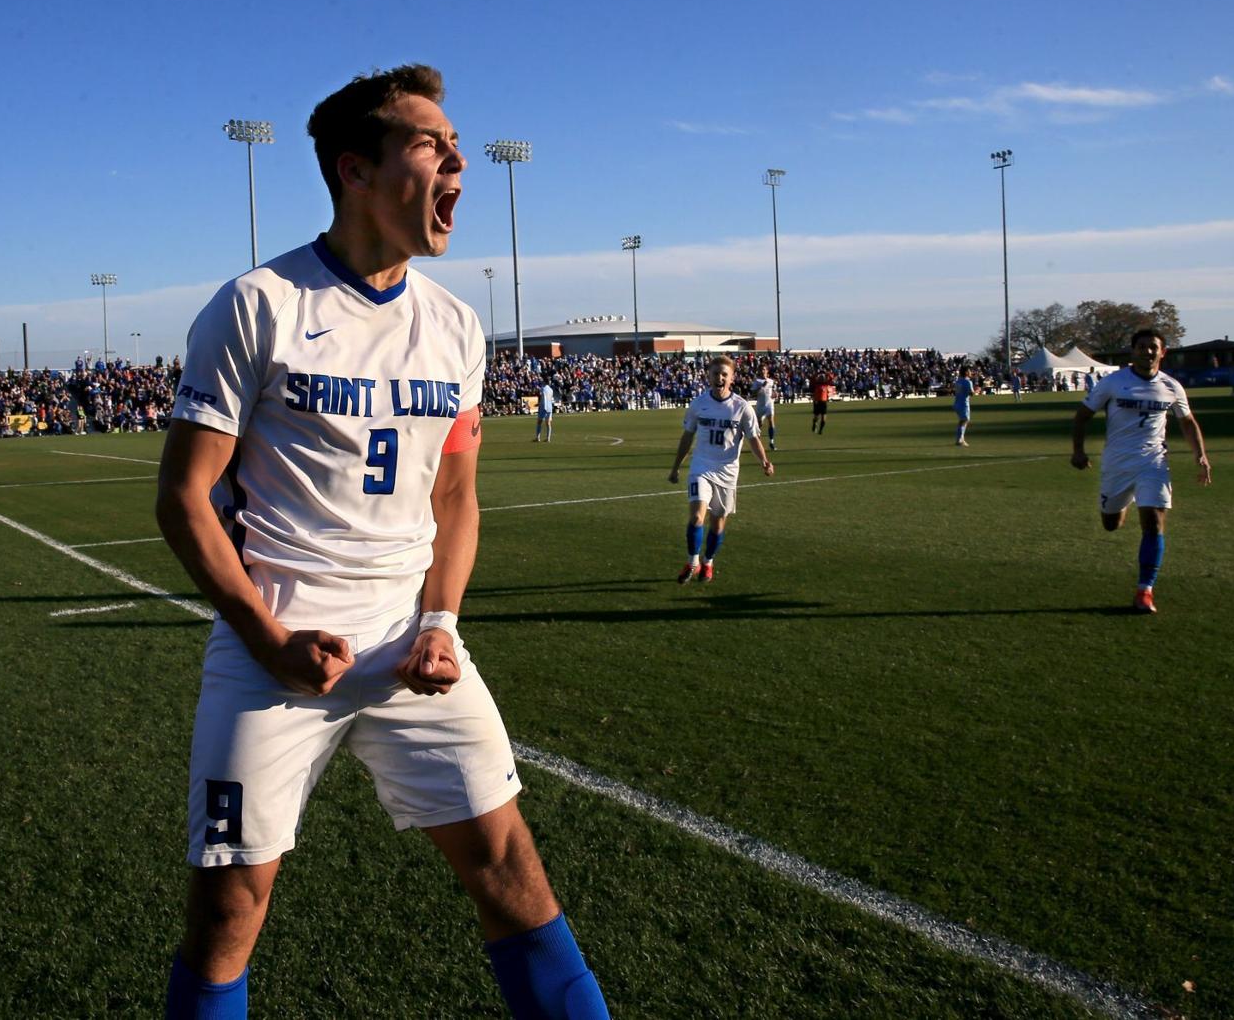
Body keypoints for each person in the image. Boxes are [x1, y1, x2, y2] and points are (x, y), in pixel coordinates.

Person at [155, 65, 607, 1020]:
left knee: (511, 868)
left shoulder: (455, 326)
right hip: (275, 652)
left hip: (411, 643)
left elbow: (456, 495)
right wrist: (269, 638)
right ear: (355, 170)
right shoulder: (258, 305)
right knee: (230, 909)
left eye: (458, 146)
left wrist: (441, 621)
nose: (458, 162)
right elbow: (184, 496)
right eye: (431, 144)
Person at [1072, 327, 1212, 614]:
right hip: (1117, 463)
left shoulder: (1172, 386)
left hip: (1154, 461)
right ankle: (1124, 501)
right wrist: (1078, 451)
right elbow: (1082, 416)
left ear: (1163, 352)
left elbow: (1187, 421)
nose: (1147, 351)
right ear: (1133, 351)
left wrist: (1201, 455)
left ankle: (1145, 590)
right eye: (1142, 346)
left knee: (1154, 522)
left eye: (1153, 347)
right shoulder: (1113, 382)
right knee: (1111, 524)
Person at [668, 355, 774, 583]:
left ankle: (708, 562)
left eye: (724, 374)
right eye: (715, 373)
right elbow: (687, 437)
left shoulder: (741, 407)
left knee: (717, 524)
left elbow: (753, 438)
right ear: (709, 376)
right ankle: (693, 562)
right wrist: (676, 467)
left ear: (732, 378)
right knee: (697, 516)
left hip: (727, 472)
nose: (720, 378)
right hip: (701, 467)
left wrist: (764, 461)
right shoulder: (698, 404)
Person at [751, 369, 778, 450]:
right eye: (761, 370)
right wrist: (761, 386)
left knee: (771, 421)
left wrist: (775, 394)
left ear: (767, 371)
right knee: (759, 425)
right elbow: (753, 394)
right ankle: (758, 443)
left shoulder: (771, 381)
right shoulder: (757, 381)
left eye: (764, 369)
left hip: (769, 404)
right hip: (760, 405)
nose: (763, 371)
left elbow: (773, 391)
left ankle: (771, 442)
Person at [952, 365, 976, 447]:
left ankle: (961, 439)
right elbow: (971, 393)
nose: (971, 372)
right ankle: (960, 440)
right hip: (964, 404)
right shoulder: (968, 382)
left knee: (963, 420)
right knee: (964, 420)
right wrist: (977, 390)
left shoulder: (958, 381)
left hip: (957, 402)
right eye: (969, 371)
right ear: (966, 372)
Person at [809, 369, 834, 434]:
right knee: (816, 417)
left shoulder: (826, 384)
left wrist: (826, 373)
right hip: (817, 402)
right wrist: (817, 373)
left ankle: (820, 430)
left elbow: (831, 378)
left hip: (823, 402)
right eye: (820, 377)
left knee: (824, 418)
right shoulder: (816, 384)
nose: (822, 378)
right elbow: (812, 378)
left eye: (823, 377)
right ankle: (814, 424)